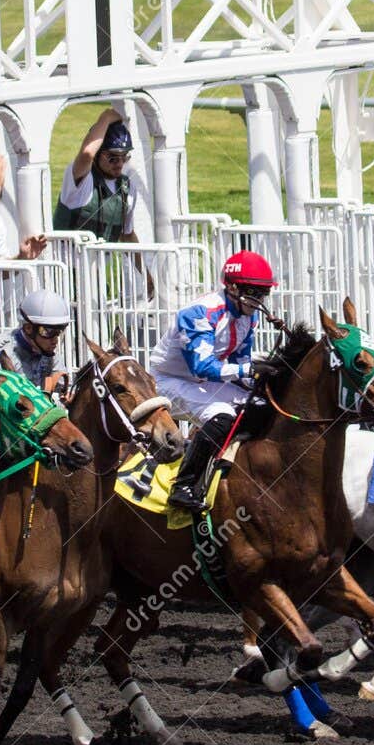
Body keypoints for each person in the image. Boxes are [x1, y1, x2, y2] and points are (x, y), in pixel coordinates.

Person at [149, 250, 275, 511]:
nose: (258, 300)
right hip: (167, 380)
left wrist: (261, 379)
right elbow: (203, 366)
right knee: (222, 416)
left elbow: (240, 362)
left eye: (263, 293)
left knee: (261, 404)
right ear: (231, 286)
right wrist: (248, 371)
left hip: (201, 380)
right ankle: (183, 485)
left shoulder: (248, 315)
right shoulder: (198, 313)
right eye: (252, 292)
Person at [52, 108, 140, 242]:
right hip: (64, 262)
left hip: (100, 263)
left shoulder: (127, 188)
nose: (120, 163)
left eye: (124, 157)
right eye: (112, 157)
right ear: (97, 154)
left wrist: (142, 264)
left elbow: (128, 235)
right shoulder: (81, 180)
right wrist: (106, 116)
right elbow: (87, 153)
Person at [0, 288, 71, 393]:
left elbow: (63, 392)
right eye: (48, 332)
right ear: (28, 328)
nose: (55, 340)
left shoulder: (48, 353)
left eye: (59, 332)